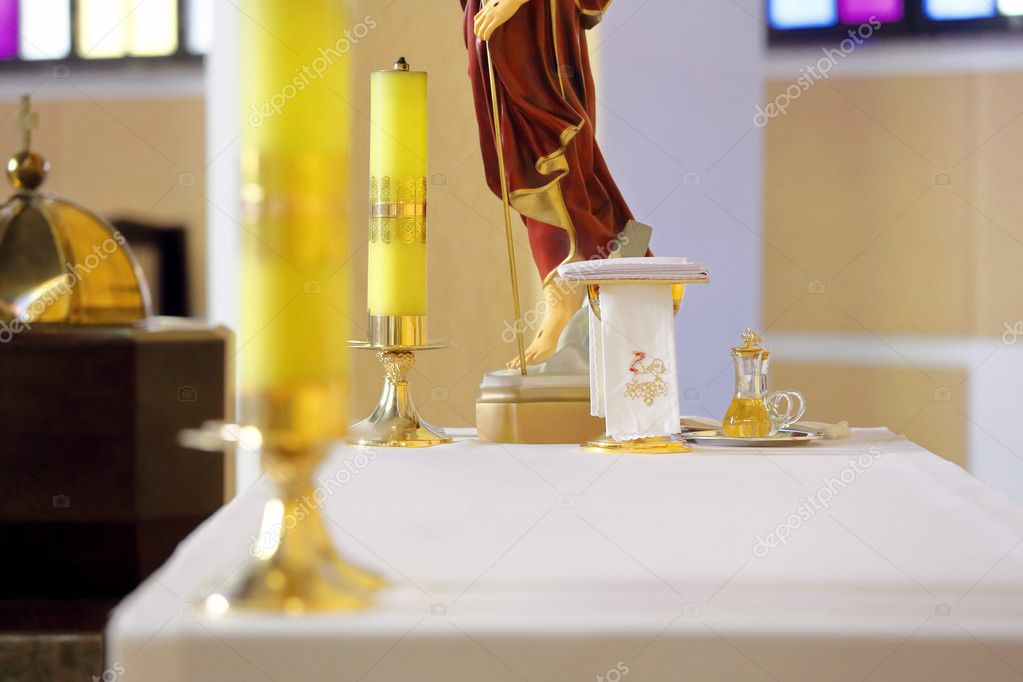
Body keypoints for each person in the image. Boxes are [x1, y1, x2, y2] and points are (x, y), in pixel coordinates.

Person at [462, 0, 638, 369]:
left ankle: (566, 292)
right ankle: (592, 266)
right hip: (498, 27)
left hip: (538, 26)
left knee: (551, 152)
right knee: (524, 157)